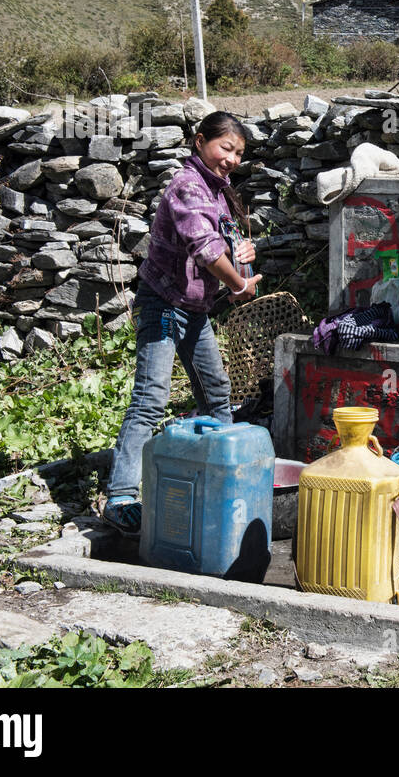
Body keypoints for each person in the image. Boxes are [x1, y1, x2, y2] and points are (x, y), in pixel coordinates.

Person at [101, 112, 262, 534]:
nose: (231, 159)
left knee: (217, 393)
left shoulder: (216, 190)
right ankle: (119, 498)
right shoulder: (187, 186)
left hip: (194, 309)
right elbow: (206, 250)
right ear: (200, 141)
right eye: (226, 148)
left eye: (239, 154)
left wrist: (240, 251)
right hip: (163, 304)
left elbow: (220, 243)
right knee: (151, 398)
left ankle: (219, 477)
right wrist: (239, 286)